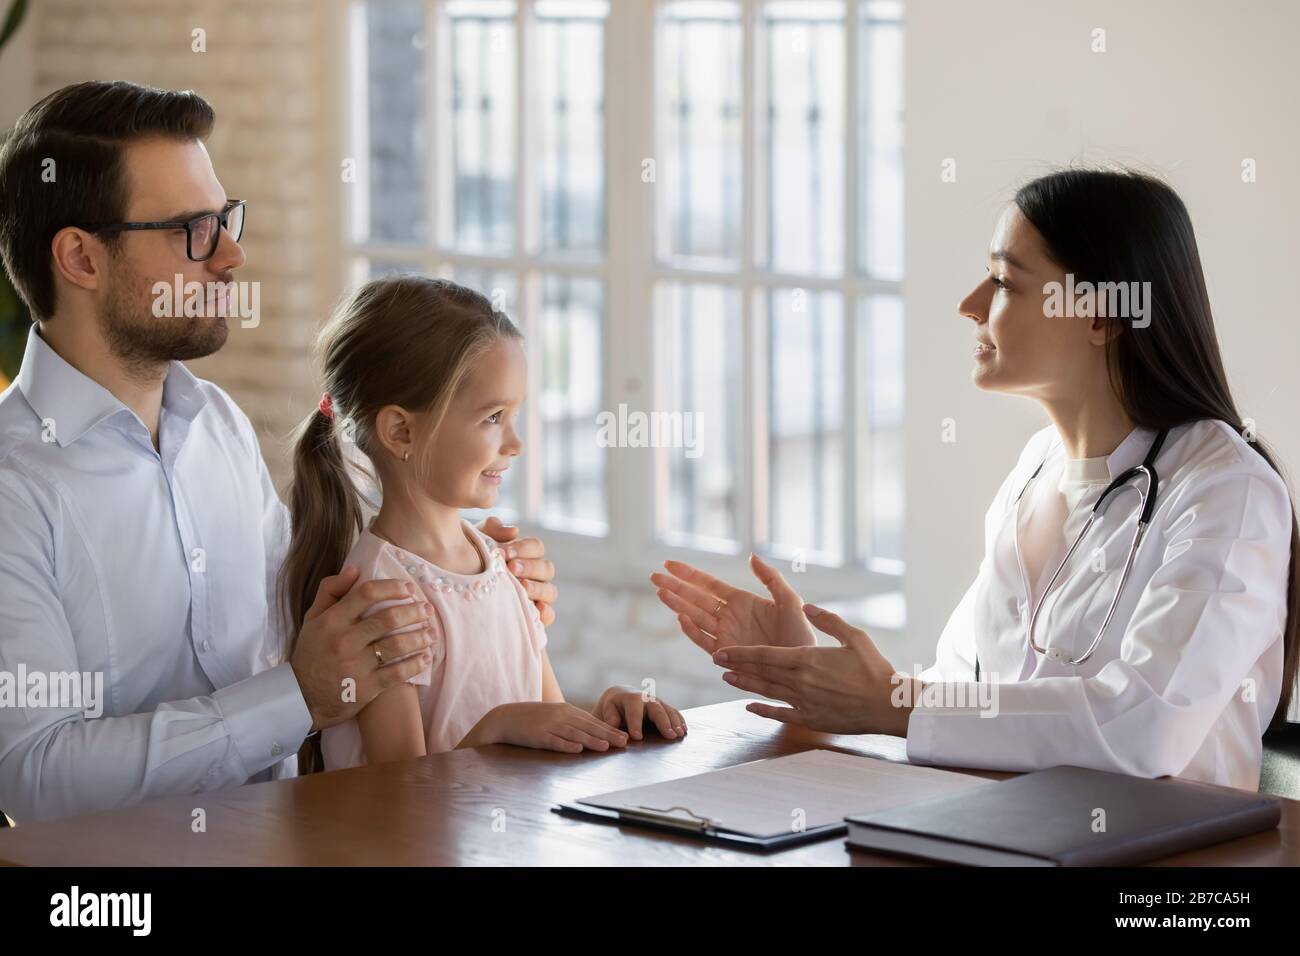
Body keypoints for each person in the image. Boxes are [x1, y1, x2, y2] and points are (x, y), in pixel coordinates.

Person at [0, 81, 557, 822]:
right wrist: (297, 696)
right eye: (192, 230)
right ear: (81, 259)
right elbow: (31, 777)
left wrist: (481, 597)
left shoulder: (219, 425)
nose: (230, 255)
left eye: (226, 219)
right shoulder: (16, 486)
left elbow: (315, 634)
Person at [652, 168, 1298, 790]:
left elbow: (1146, 728)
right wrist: (817, 675)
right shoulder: (1036, 470)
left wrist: (889, 704)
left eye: (1004, 282)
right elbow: (964, 695)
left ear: (1101, 315)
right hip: (1008, 832)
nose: (969, 306)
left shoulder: (1225, 493)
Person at [282, 275, 686, 769]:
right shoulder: (381, 599)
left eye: (515, 416)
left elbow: (546, 717)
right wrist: (496, 729)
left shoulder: (505, 567)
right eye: (493, 417)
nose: (515, 443)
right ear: (401, 430)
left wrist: (604, 719)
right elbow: (399, 792)